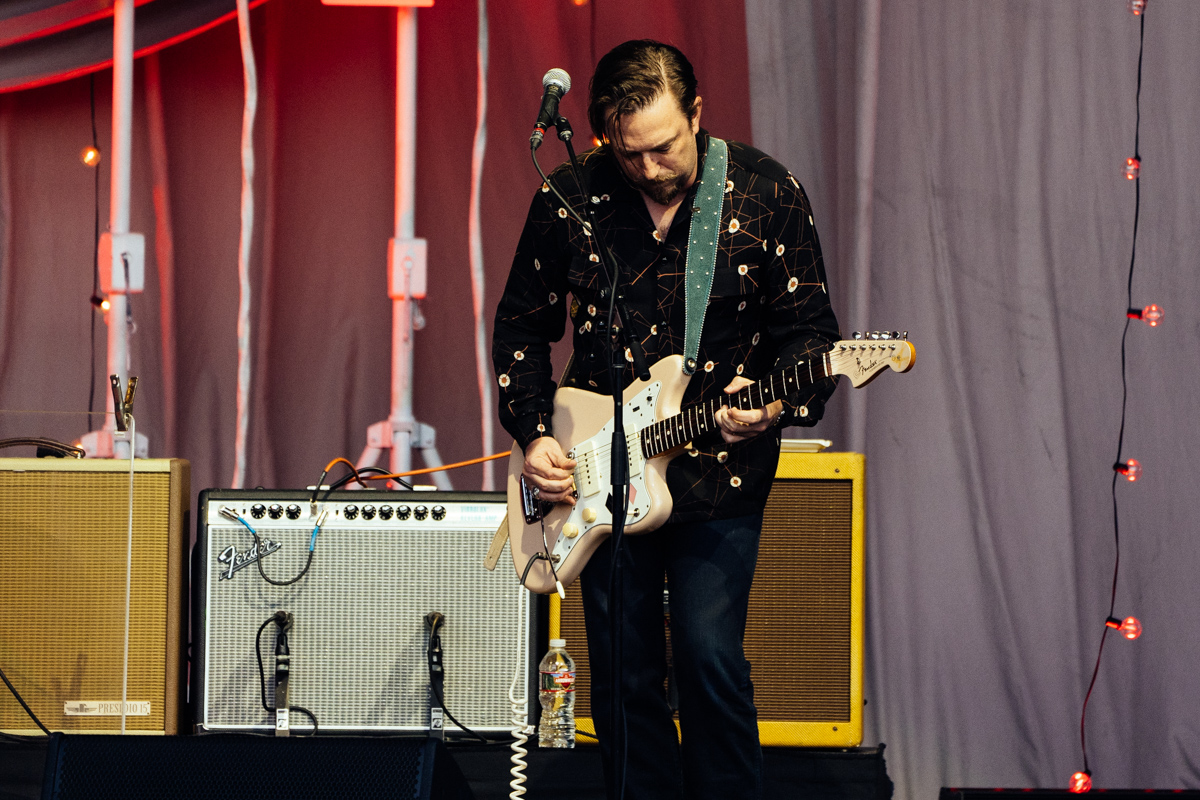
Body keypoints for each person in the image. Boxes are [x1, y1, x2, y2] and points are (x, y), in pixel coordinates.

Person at [492, 40, 840, 800]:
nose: (651, 168)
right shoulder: (570, 197)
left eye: (666, 147)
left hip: (718, 475)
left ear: (697, 114)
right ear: (602, 138)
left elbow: (812, 339)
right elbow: (520, 327)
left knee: (709, 658)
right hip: (600, 477)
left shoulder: (765, 194)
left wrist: (774, 405)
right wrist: (536, 433)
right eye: (631, 153)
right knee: (624, 674)